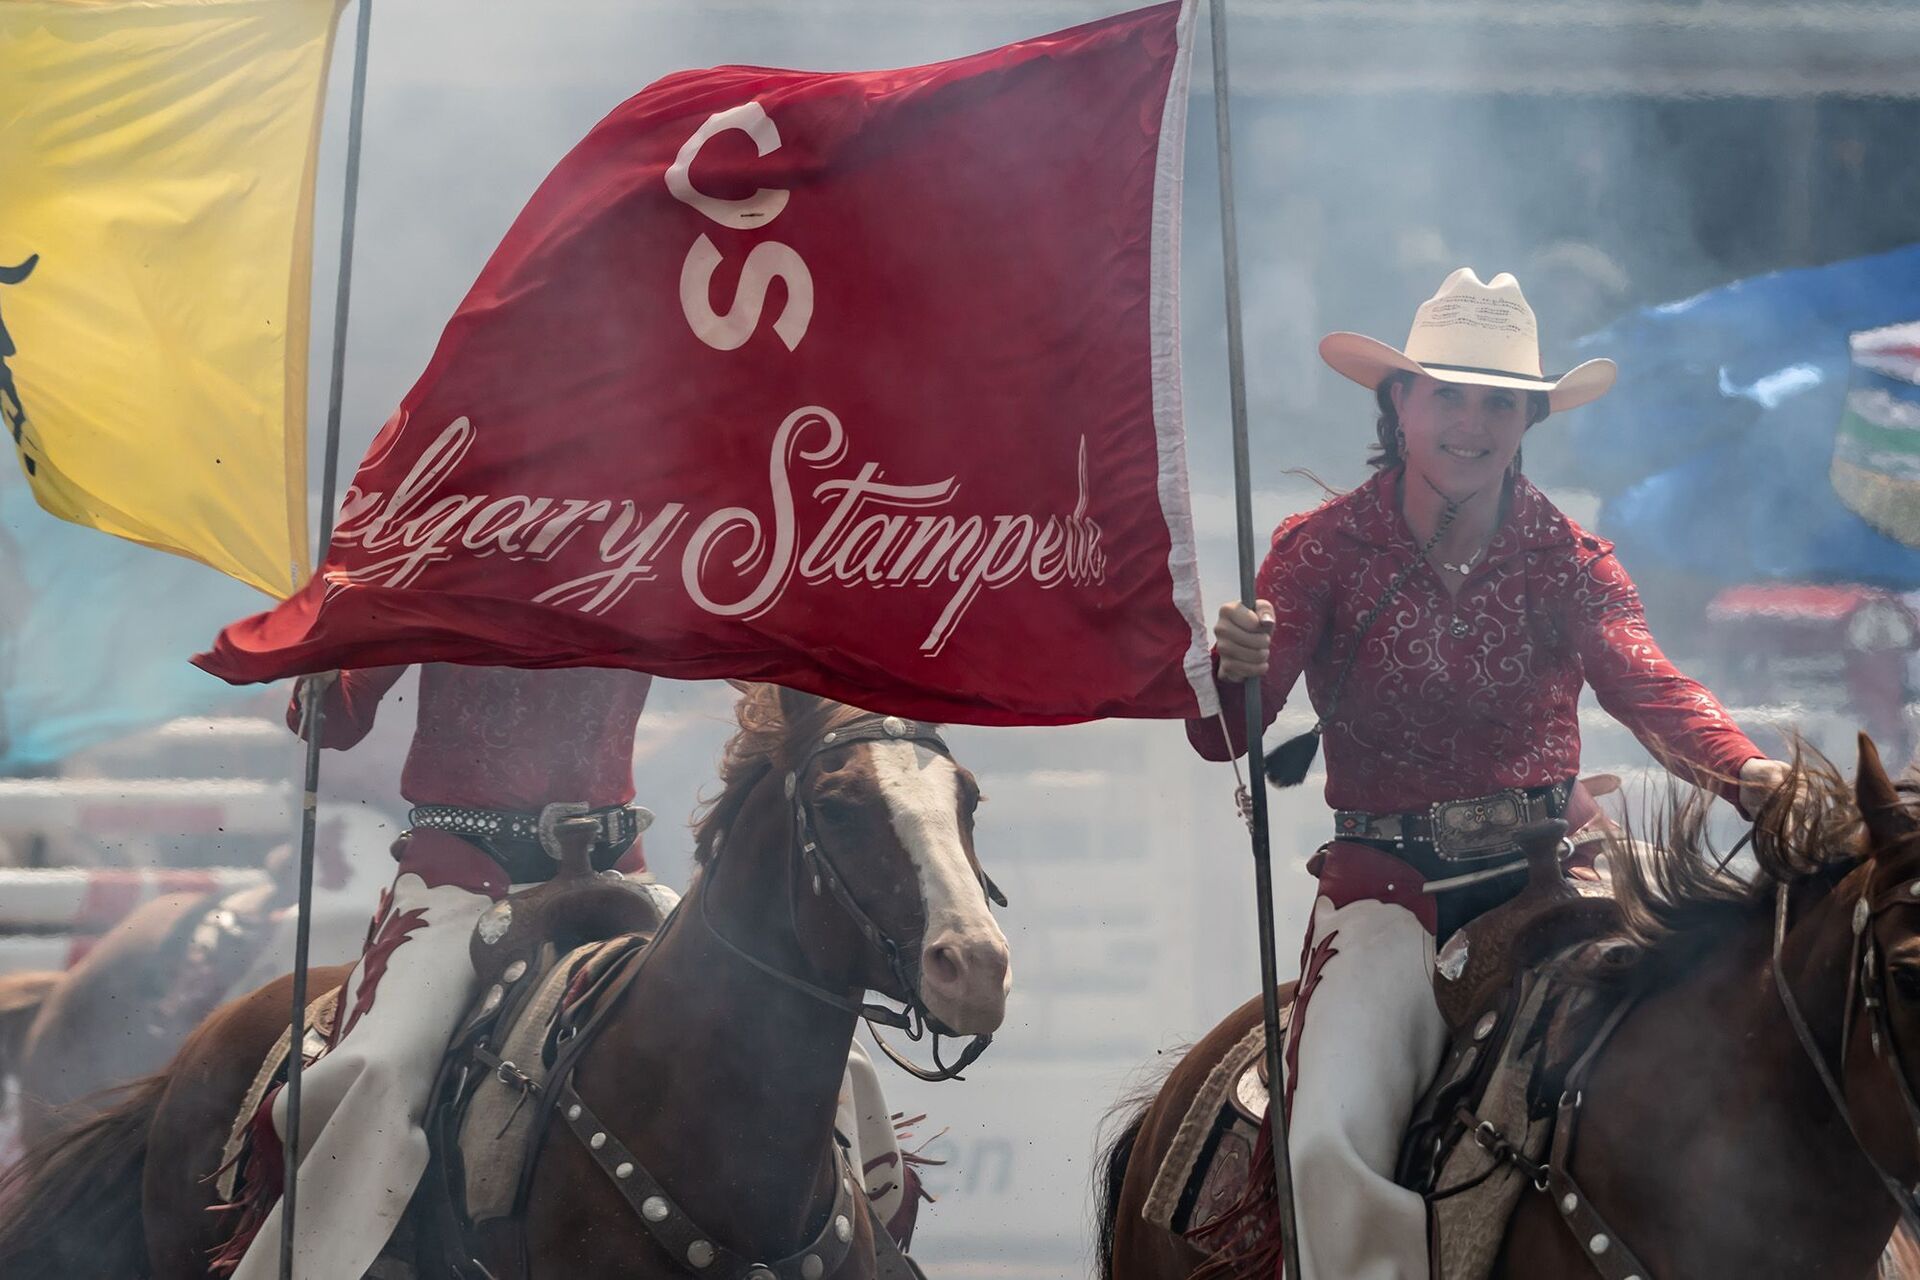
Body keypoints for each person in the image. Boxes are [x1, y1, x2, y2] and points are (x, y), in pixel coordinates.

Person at [1187, 268, 1793, 1280]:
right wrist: (1231, 672)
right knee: (1326, 1141)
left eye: (1498, 401)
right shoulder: (1320, 549)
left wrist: (1750, 771)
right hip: (1391, 893)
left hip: (1556, 870)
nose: (1472, 421)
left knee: (1729, 1048)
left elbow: (1649, 686)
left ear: (1526, 420)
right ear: (1400, 402)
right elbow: (1224, 735)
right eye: (1449, 394)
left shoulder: (1572, 558)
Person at [231, 664, 919, 1279]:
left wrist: (849, 685)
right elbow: (333, 724)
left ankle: (876, 1258)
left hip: (620, 871)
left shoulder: (646, 546)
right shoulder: (432, 548)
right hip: (460, 879)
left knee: (844, 1069)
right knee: (380, 1068)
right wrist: (323, 670)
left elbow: (772, 667)